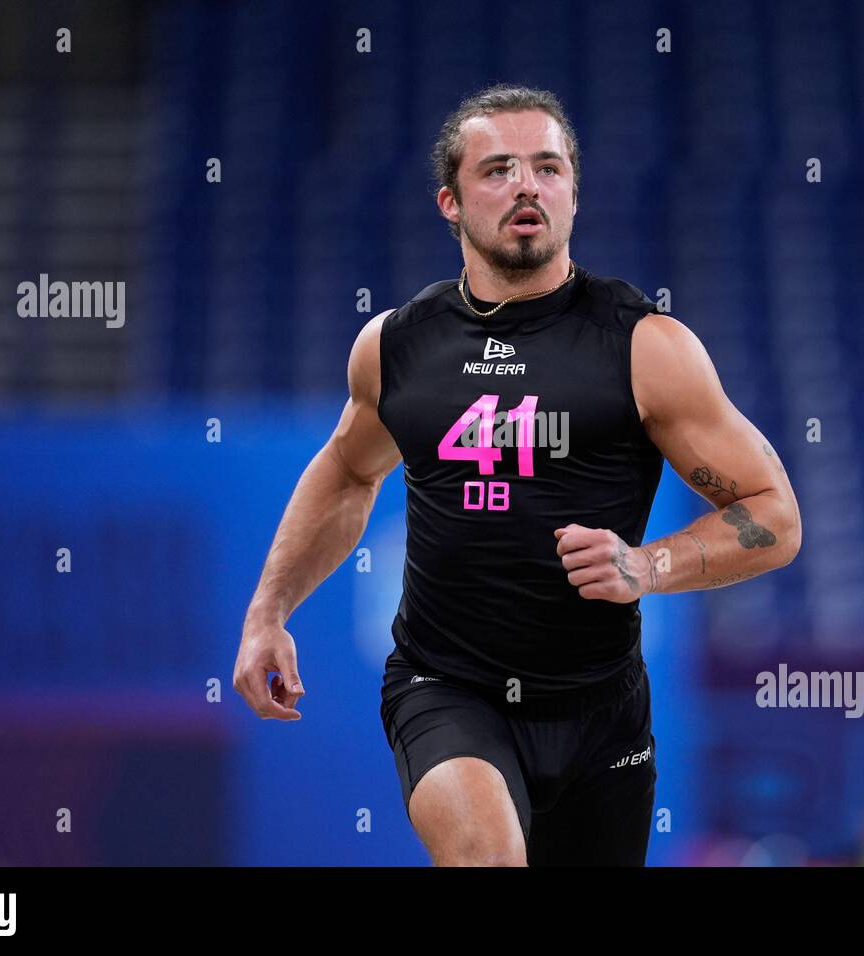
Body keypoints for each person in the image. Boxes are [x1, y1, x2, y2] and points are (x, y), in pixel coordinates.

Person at [232, 84, 802, 866]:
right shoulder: (396, 346)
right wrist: (268, 614)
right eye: (498, 169)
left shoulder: (645, 346)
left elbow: (775, 516)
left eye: (548, 167)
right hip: (445, 687)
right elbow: (345, 472)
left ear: (573, 193)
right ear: (450, 202)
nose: (528, 185)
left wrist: (648, 564)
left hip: (600, 709)